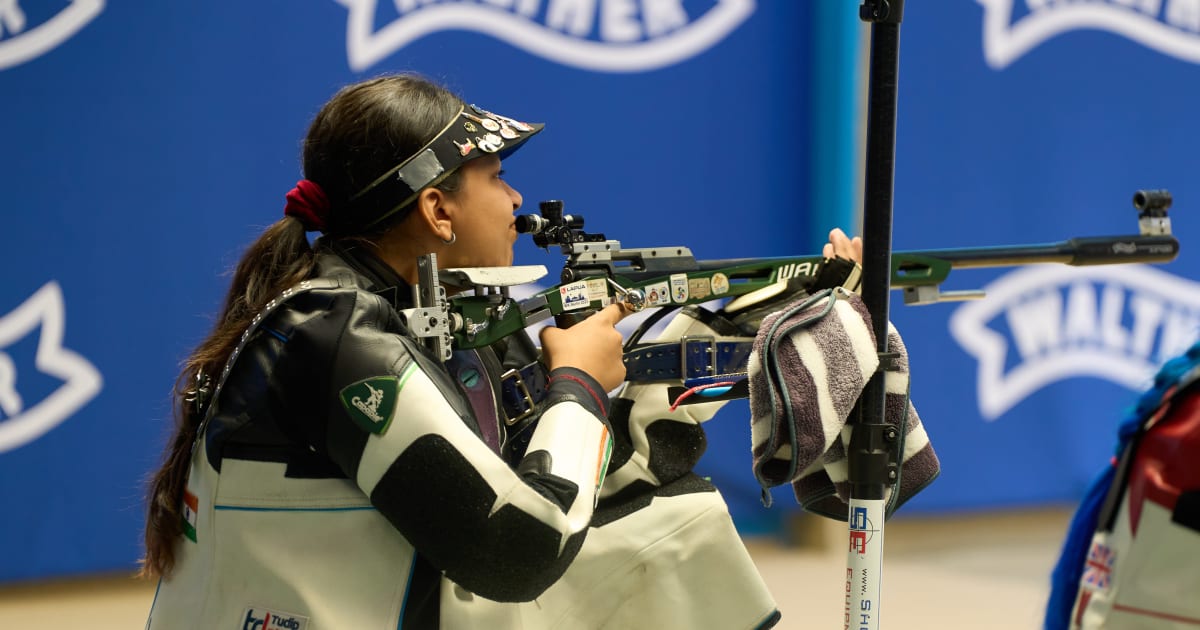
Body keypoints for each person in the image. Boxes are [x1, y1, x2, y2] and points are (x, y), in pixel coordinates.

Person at [142, 73, 862, 629]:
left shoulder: (417, 308)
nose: (516, 200)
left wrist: (772, 315)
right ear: (437, 209)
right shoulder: (332, 332)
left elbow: (582, 466)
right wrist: (576, 381)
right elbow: (514, 549)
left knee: (675, 518)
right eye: (497, 177)